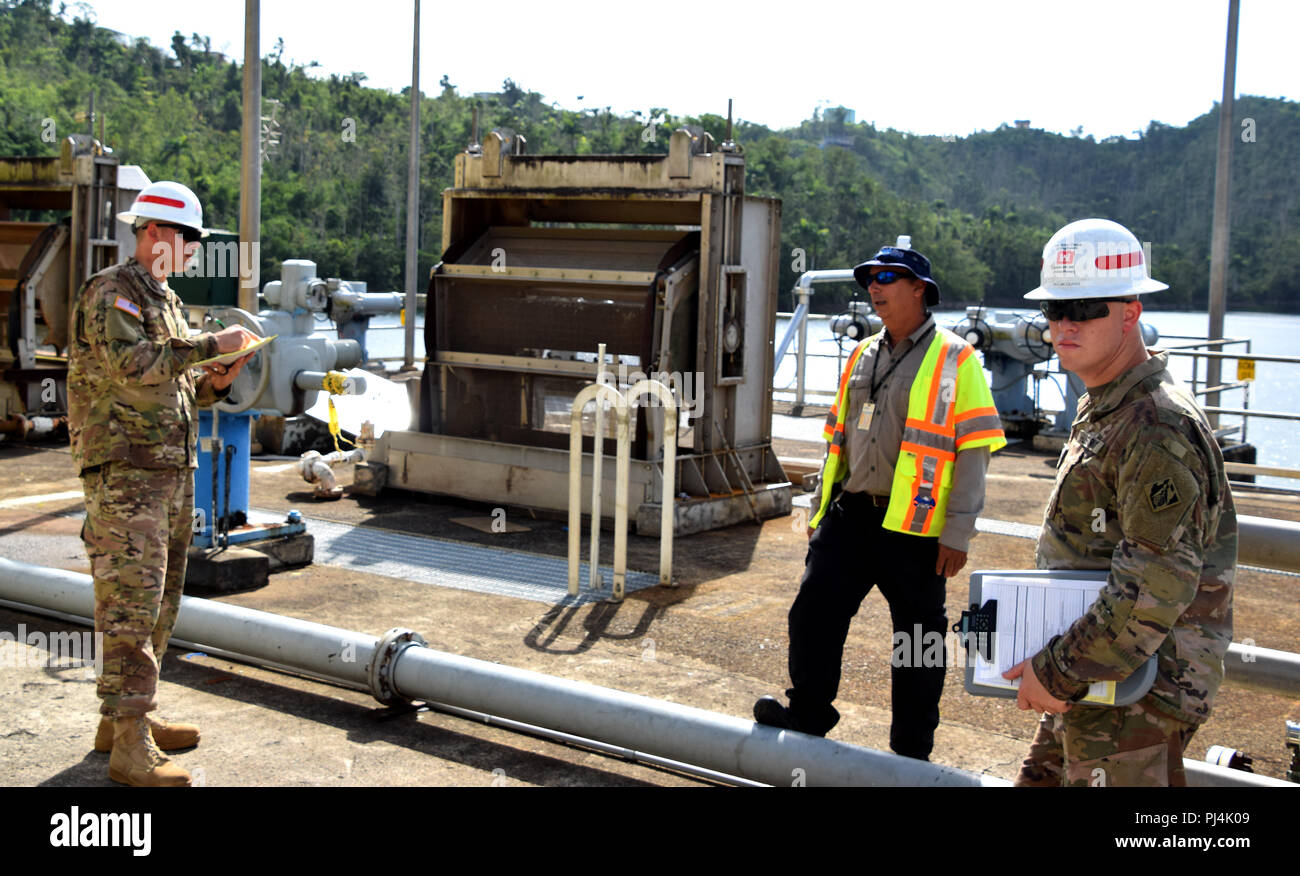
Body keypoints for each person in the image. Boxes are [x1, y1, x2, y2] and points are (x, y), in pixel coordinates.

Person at [1004, 218, 1236, 787]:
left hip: (1137, 696)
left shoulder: (1158, 425)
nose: (1063, 326)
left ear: (1130, 312)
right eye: (1054, 311)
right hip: (1097, 680)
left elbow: (1152, 592)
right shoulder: (1108, 406)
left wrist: (1054, 671)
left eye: (1084, 309)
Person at [754, 239, 1006, 760]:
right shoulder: (864, 354)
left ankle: (911, 751)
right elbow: (839, 439)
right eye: (870, 277)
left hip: (915, 531)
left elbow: (975, 450)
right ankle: (808, 714)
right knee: (813, 615)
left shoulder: (958, 358)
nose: (875, 286)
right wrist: (821, 509)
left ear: (920, 290)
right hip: (850, 518)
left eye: (888, 278)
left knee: (917, 643)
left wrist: (957, 533)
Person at [68, 181, 258, 787]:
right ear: (154, 232)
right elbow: (133, 366)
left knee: (158, 603)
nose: (196, 250)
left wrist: (220, 377)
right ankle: (129, 746)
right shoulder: (111, 293)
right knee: (129, 606)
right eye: (189, 238)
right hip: (126, 474)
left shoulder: (164, 298)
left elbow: (177, 386)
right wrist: (208, 343)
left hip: (167, 473)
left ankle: (124, 724)